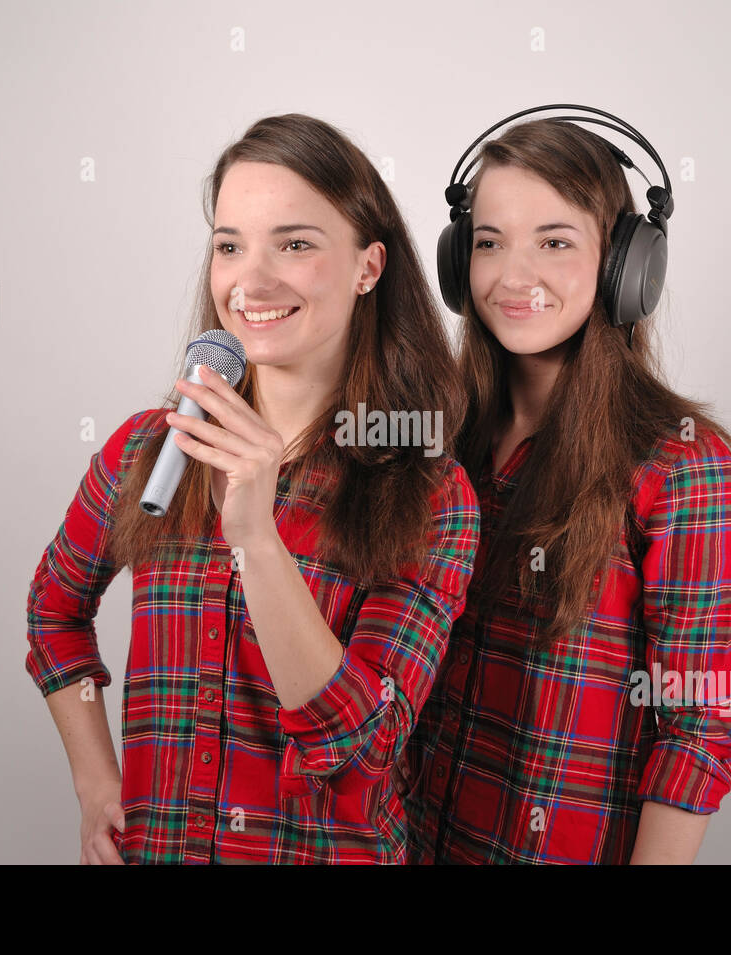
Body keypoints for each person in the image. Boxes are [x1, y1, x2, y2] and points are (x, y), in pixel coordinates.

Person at [25, 113, 480, 864]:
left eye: (295, 244)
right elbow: (54, 609)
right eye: (230, 245)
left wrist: (257, 540)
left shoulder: (429, 490)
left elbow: (361, 750)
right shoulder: (151, 448)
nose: (252, 280)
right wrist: (94, 777)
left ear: (369, 268)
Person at [398, 112, 731, 864]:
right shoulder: (438, 444)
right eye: (489, 242)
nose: (512, 275)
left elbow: (696, 731)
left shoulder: (684, 467)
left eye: (554, 242)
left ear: (627, 267)